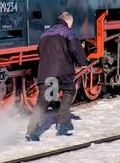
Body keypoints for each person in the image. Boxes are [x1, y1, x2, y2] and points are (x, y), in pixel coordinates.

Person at [26, 11, 86, 141]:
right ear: (68, 22)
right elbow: (76, 49)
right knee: (69, 91)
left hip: (46, 73)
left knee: (43, 101)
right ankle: (63, 126)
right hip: (62, 72)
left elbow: (39, 51)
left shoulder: (45, 34)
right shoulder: (67, 32)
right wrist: (83, 63)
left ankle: (31, 132)